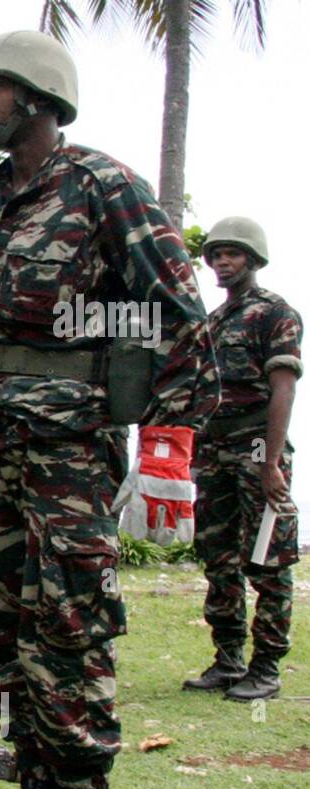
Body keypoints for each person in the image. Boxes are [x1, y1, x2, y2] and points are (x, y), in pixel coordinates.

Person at [0, 30, 218, 789]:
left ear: (36, 94)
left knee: (68, 619)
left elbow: (177, 310)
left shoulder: (103, 184)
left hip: (69, 439)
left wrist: (167, 447)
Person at [182, 217, 301, 702]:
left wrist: (270, 462)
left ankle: (267, 668)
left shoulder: (276, 313)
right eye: (215, 255)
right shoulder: (213, 322)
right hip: (213, 451)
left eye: (232, 254)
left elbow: (284, 388)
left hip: (257, 449)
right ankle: (228, 659)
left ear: (252, 258)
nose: (221, 262)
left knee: (268, 561)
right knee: (219, 559)